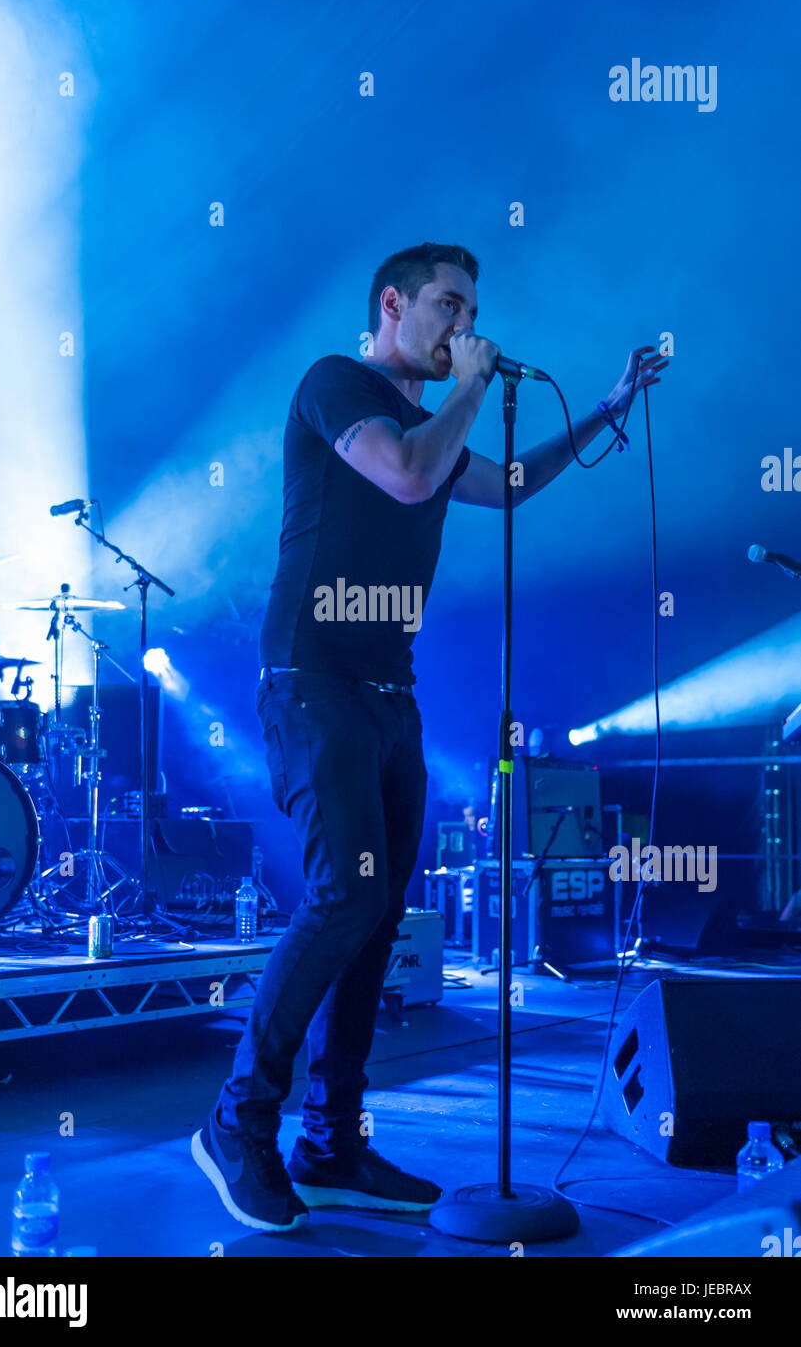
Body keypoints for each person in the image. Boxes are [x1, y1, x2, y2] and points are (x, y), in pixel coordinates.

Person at [192, 242, 668, 1232]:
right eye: (446, 303)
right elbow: (411, 475)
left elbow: (503, 486)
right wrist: (465, 388)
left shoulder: (430, 414)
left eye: (470, 308)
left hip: (385, 691)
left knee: (375, 911)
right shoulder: (337, 385)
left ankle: (330, 1140)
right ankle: (236, 1125)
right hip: (311, 678)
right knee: (345, 892)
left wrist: (608, 409)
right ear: (392, 303)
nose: (461, 321)